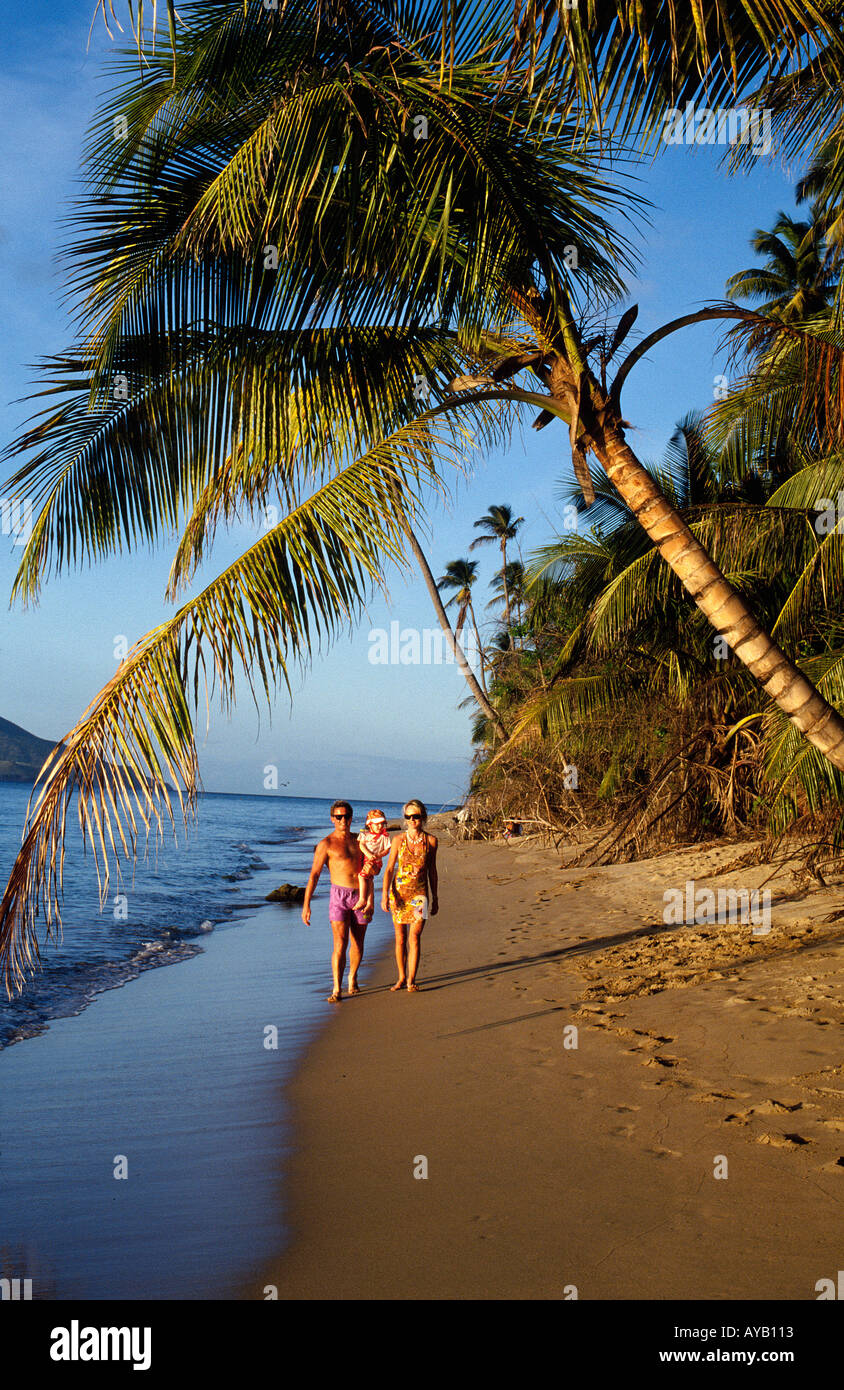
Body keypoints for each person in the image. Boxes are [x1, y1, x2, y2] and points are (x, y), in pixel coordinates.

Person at [302, 800, 369, 1003]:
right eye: (338, 817)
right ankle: (337, 988)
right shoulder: (326, 844)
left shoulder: (360, 840)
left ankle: (353, 977)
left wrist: (370, 899)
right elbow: (314, 875)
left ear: (351, 817)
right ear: (332, 819)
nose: (343, 820)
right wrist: (306, 905)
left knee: (358, 942)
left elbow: (372, 868)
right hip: (338, 896)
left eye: (346, 816)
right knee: (340, 943)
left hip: (360, 895)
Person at [381, 799, 438, 992]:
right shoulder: (397, 840)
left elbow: (432, 871)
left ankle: (411, 980)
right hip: (398, 894)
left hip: (419, 895)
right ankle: (401, 977)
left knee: (414, 937)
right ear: (405, 819)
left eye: (416, 816)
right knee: (400, 938)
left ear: (423, 817)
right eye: (409, 816)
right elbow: (389, 869)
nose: (412, 820)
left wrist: (436, 897)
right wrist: (384, 895)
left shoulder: (430, 841)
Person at [354, 808, 391, 915]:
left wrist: (378, 855)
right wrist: (369, 854)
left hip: (375, 862)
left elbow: (387, 850)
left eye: (381, 824)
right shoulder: (365, 835)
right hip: (367, 858)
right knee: (369, 880)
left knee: (362, 876)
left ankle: (362, 898)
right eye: (377, 824)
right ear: (370, 825)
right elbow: (362, 845)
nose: (380, 826)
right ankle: (369, 902)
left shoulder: (384, 837)